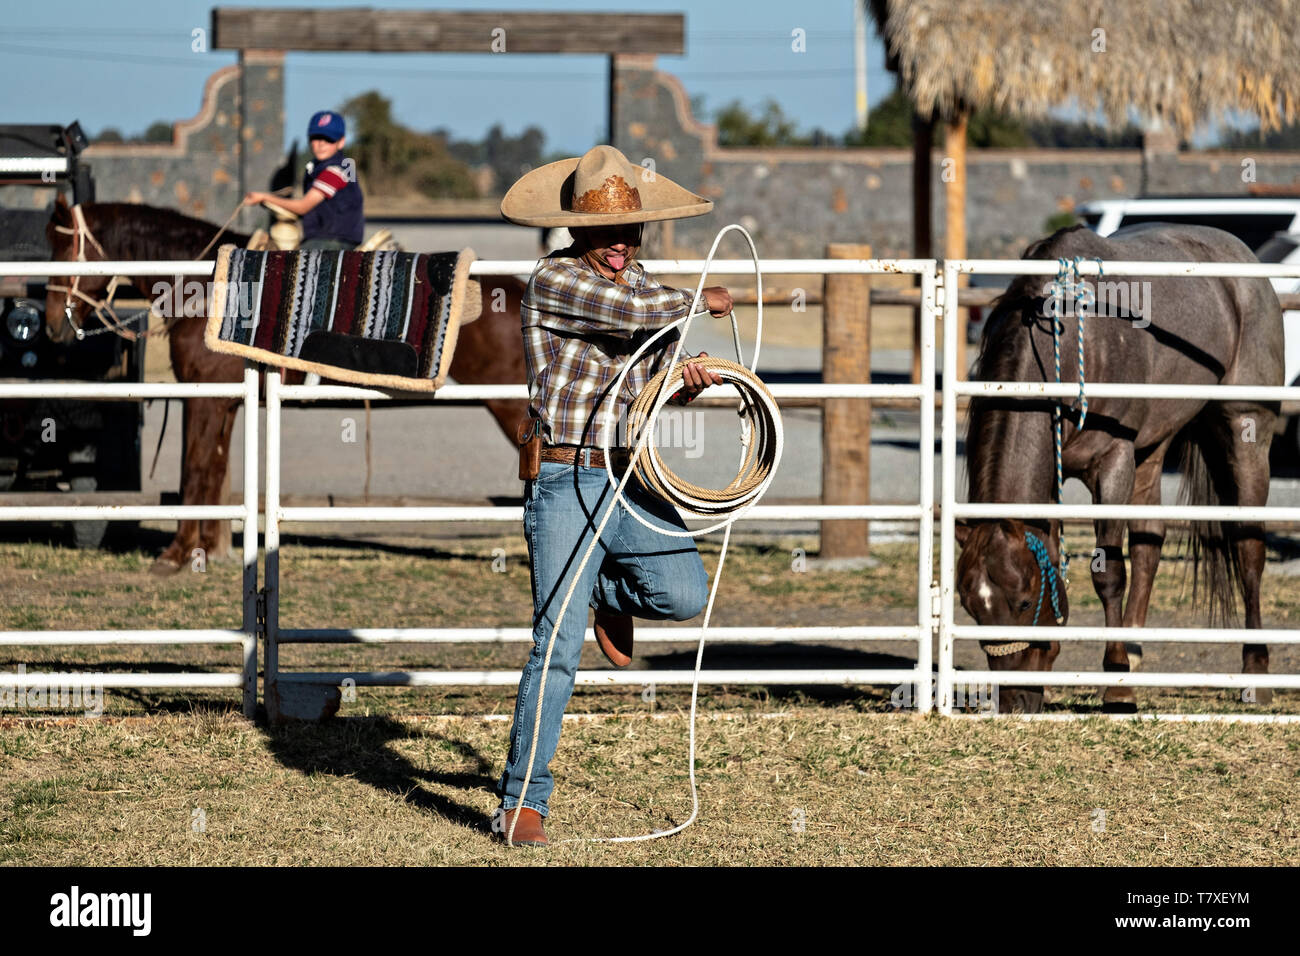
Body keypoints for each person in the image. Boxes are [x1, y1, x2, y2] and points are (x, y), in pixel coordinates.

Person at [493, 145, 734, 846]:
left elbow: (649, 359)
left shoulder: (642, 285)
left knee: (683, 592)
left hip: (629, 474)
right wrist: (701, 301)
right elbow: (628, 312)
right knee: (557, 643)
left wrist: (684, 372)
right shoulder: (553, 280)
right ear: (576, 232)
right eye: (605, 234)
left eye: (629, 233)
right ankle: (522, 802)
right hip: (567, 475)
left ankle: (603, 592)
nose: (619, 246)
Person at [243, 110, 364, 250]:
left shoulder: (335, 171)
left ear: (341, 142)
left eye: (329, 139)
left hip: (333, 240)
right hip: (322, 236)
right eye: (316, 138)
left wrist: (264, 197)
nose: (321, 144)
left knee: (292, 263)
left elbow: (303, 206)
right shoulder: (316, 168)